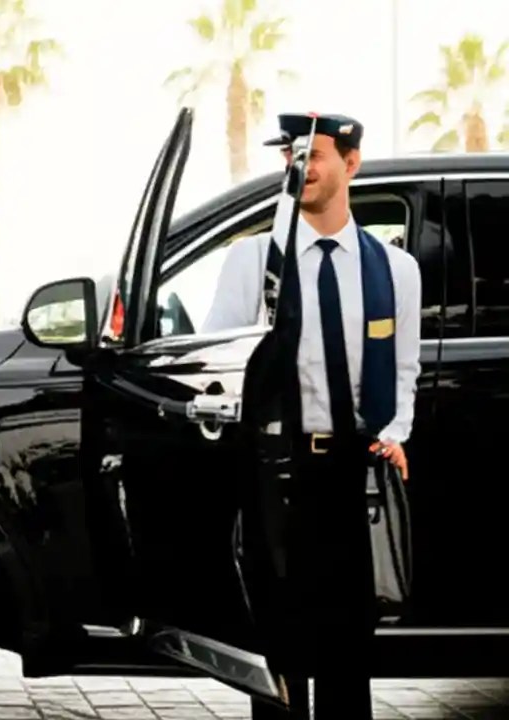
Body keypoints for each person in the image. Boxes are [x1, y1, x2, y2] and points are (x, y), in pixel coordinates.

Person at [201, 113, 421, 719]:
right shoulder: (253, 264)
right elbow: (217, 365)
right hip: (275, 475)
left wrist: (394, 434)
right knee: (279, 644)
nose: (303, 166)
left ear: (351, 163)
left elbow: (404, 370)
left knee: (349, 644)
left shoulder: (394, 270)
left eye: (317, 154)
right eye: (295, 155)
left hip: (351, 476)